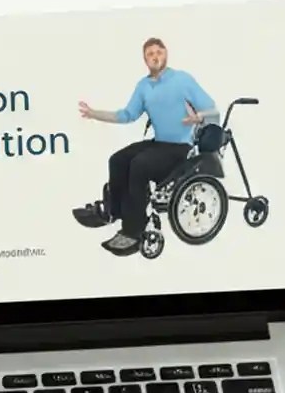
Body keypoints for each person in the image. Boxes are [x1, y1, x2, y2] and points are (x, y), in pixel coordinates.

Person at [73, 37, 217, 256]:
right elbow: (127, 115)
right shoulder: (143, 86)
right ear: (145, 60)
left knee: (140, 165)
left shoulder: (182, 80)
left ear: (166, 54)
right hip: (158, 144)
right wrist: (94, 114)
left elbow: (212, 110)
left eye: (159, 52)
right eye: (150, 54)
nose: (155, 56)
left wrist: (198, 117)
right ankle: (114, 212)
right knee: (118, 159)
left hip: (180, 148)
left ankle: (133, 229)